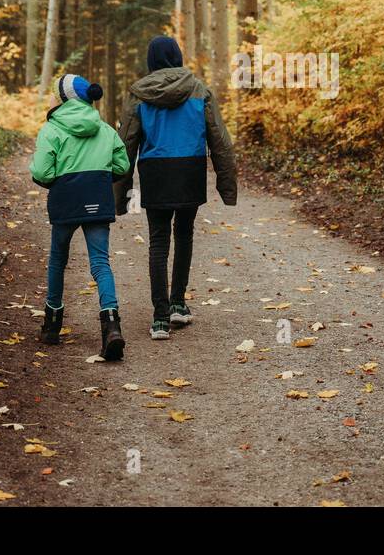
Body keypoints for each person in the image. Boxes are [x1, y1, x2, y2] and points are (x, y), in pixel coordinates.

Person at [117, 36, 237, 341]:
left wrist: (119, 192)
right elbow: (220, 140)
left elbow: (126, 143)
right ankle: (178, 304)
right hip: (189, 169)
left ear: (151, 61)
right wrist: (227, 183)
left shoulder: (139, 94)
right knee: (184, 234)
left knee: (158, 242)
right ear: (178, 56)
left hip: (156, 172)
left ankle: (159, 319)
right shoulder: (199, 89)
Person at [30, 74, 131, 360]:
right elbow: (122, 165)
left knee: (58, 261)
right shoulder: (105, 129)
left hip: (65, 203)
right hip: (98, 201)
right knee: (100, 263)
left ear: (62, 99)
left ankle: (52, 325)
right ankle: (111, 326)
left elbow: (41, 172)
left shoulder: (51, 130)